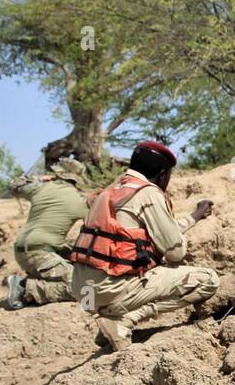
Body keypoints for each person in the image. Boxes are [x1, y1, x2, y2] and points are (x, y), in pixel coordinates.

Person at [69, 141, 219, 350]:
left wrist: (193, 217)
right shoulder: (148, 193)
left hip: (84, 293)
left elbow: (133, 233)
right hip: (110, 290)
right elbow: (175, 252)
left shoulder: (110, 192)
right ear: (162, 174)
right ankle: (123, 320)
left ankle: (112, 320)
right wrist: (177, 240)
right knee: (207, 280)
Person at [4, 158, 88, 309]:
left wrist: (40, 179)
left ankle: (39, 279)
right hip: (40, 253)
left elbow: (14, 185)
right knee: (84, 289)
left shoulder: (40, 188)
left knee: (69, 255)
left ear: (56, 174)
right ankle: (24, 288)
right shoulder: (79, 201)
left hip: (20, 249)